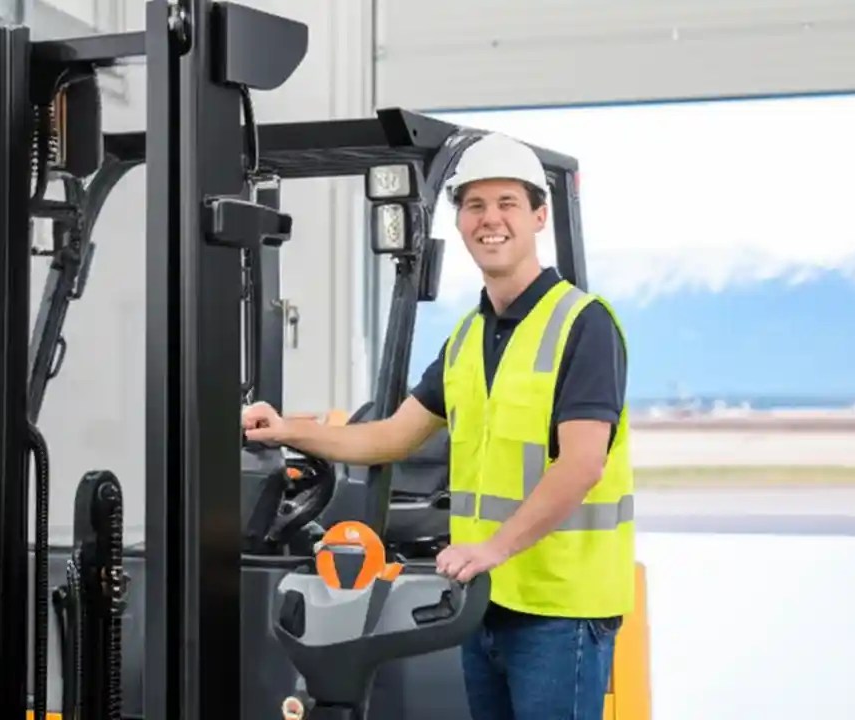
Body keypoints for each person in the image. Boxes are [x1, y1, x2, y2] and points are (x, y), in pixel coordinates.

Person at [243, 132, 634, 720]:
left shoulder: (584, 324)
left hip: (559, 610)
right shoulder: (466, 339)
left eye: (506, 204)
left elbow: (582, 463)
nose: (490, 220)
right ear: (460, 222)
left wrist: (491, 549)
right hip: (483, 600)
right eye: (474, 206)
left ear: (538, 216)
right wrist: (284, 430)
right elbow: (390, 437)